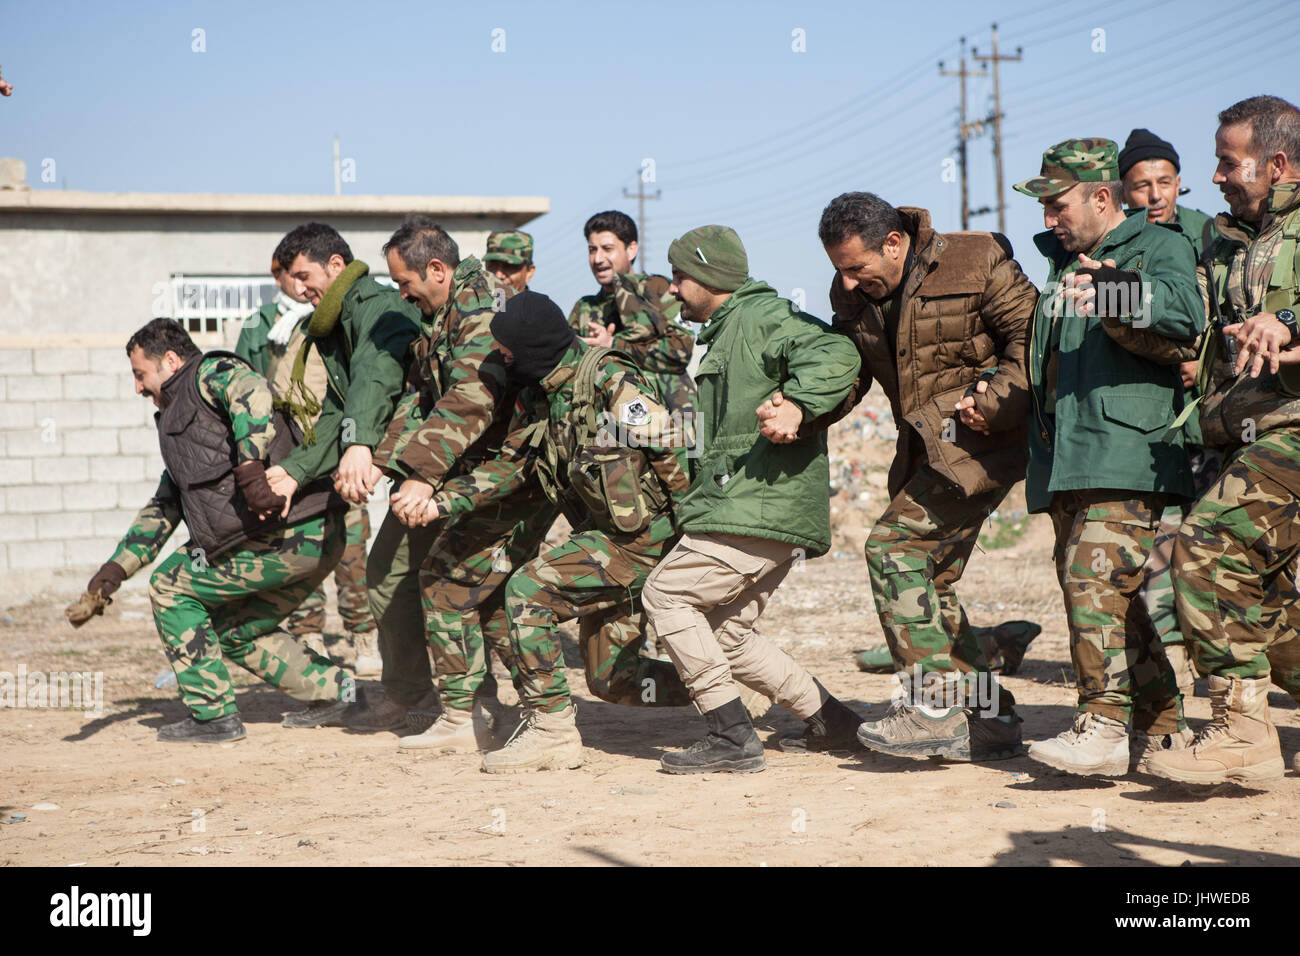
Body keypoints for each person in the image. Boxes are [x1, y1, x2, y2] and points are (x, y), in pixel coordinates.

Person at [421, 290, 695, 773]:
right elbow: (514, 467)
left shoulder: (612, 379)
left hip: (645, 542)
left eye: (507, 352)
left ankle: (552, 733)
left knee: (527, 589)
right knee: (614, 681)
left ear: (532, 348)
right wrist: (441, 500)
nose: (501, 360)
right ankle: (719, 685)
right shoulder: (541, 394)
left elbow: (672, 451)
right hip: (607, 539)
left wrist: (694, 541)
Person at [809, 193, 1038, 761]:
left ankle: (932, 708)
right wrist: (800, 405)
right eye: (839, 269)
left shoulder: (975, 258)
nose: (850, 282)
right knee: (930, 583)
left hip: (982, 442)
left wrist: (997, 402)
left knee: (893, 549)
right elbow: (850, 372)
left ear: (894, 243)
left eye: (857, 268)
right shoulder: (855, 294)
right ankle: (991, 719)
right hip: (923, 453)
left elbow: (1033, 337)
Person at [632, 224, 864, 774]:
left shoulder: (759, 319)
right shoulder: (730, 328)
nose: (673, 290)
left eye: (681, 277)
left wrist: (799, 406)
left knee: (665, 596)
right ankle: (833, 722)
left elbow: (836, 351)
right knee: (726, 636)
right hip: (758, 506)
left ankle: (732, 735)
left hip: (759, 503)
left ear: (708, 277)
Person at [69, 320, 359, 741]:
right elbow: (165, 507)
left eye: (139, 374)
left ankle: (213, 716)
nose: (137, 388)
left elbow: (253, 390)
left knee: (170, 585)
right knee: (233, 631)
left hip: (289, 532)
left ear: (170, 361)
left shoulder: (208, 374)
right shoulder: (181, 423)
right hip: (313, 537)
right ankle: (341, 692)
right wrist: (112, 572)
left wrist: (251, 473)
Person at [1013, 138, 1203, 777]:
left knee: (1091, 580)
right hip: (1070, 457)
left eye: (1057, 205)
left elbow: (1184, 315)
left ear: (1101, 198)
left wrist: (1118, 292)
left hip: (1127, 452)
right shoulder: (1064, 266)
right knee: (1112, 593)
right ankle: (1163, 729)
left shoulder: (1156, 245)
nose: (1048, 220)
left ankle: (1103, 723)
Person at [1146, 95, 1300, 784]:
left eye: (1226, 162)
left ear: (1276, 163)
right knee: (1258, 593)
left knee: (1209, 543)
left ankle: (1243, 732)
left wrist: (1286, 322)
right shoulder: (1228, 239)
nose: (1214, 176)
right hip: (1245, 433)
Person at [364, 218, 552, 749]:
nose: (402, 293)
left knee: (453, 580)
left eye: (405, 282)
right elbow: (422, 396)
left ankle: (482, 715)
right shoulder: (444, 314)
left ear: (438, 270)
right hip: (479, 476)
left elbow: (471, 397)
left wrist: (422, 475)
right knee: (474, 590)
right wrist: (387, 463)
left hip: (515, 473)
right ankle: (494, 712)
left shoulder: (481, 310)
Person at [235, 257, 379, 671]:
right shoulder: (260, 323)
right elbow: (245, 382)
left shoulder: (333, 318)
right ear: (276, 277)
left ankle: (363, 637)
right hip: (288, 457)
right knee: (299, 548)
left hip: (335, 451)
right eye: (289, 277)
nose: (299, 287)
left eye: (305, 276)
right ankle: (310, 635)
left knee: (352, 549)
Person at [569, 210, 697, 419]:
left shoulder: (661, 291)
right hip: (608, 430)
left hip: (671, 422)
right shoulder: (583, 308)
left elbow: (679, 352)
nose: (598, 258)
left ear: (631, 249)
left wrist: (613, 346)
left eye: (607, 249)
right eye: (592, 250)